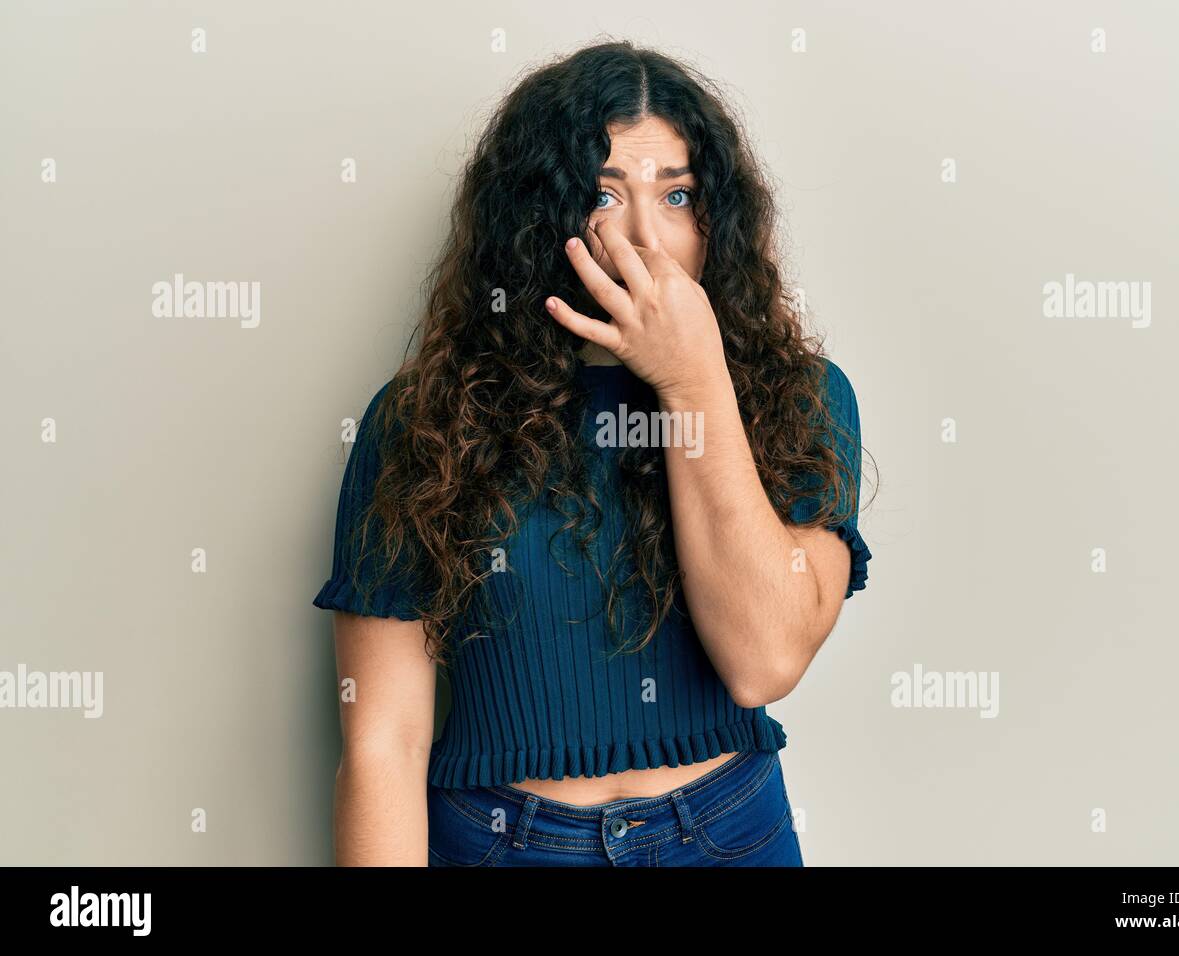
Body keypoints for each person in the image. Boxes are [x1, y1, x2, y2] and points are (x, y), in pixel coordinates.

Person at [313, 39, 875, 867]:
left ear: (716, 218)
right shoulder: (422, 418)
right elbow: (383, 742)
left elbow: (765, 663)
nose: (646, 236)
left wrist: (692, 382)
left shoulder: (800, 397)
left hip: (726, 835)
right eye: (603, 194)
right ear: (540, 216)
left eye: (678, 195)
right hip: (504, 843)